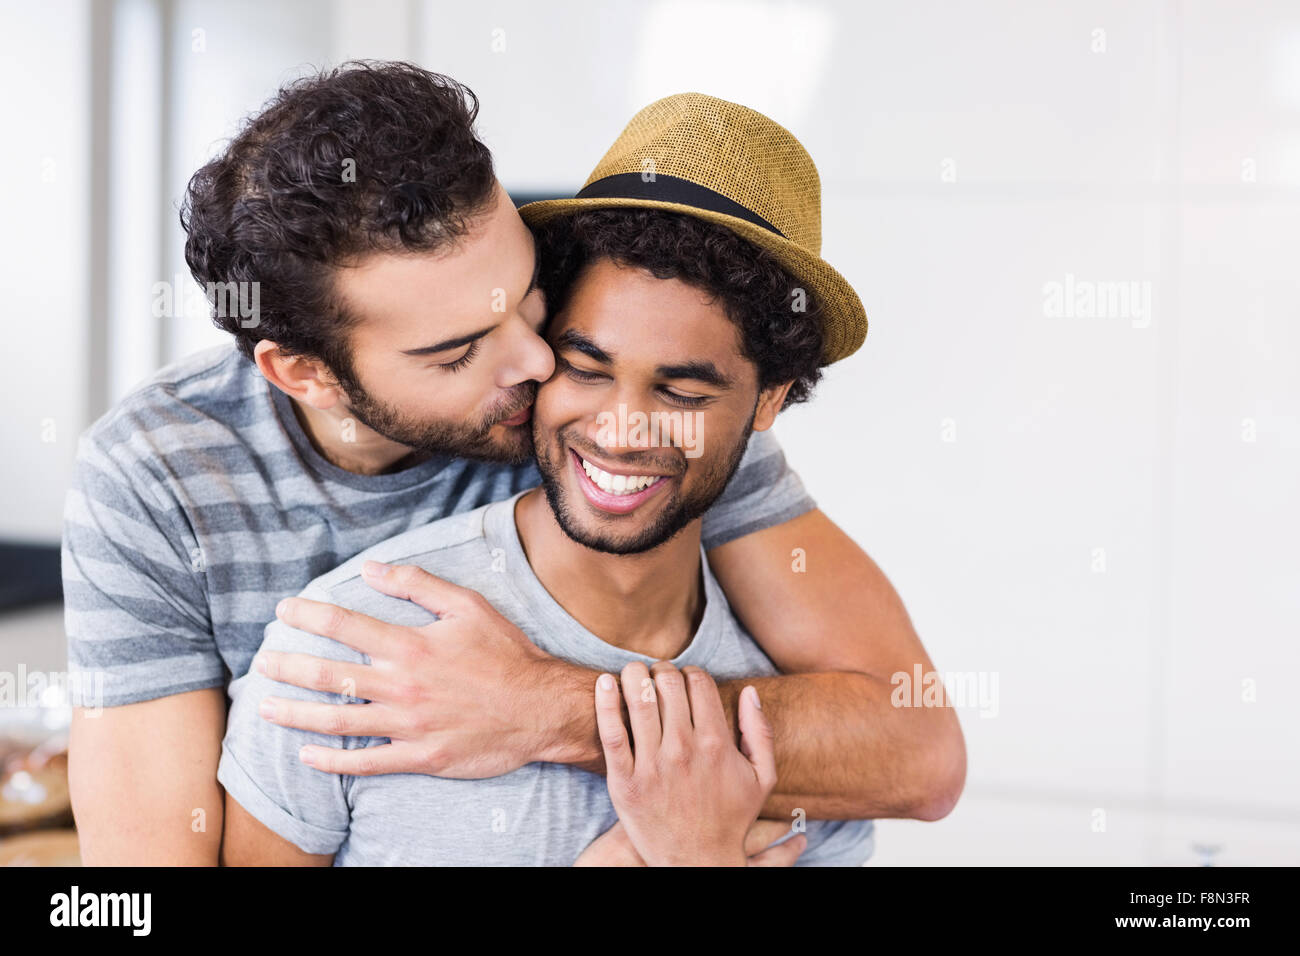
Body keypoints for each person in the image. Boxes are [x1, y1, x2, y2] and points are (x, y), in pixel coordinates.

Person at [64, 64, 964, 865]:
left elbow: (917, 750)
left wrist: (546, 707)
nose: (536, 367)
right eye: (460, 351)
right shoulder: (157, 477)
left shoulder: (622, 402)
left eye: (526, 296)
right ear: (306, 374)